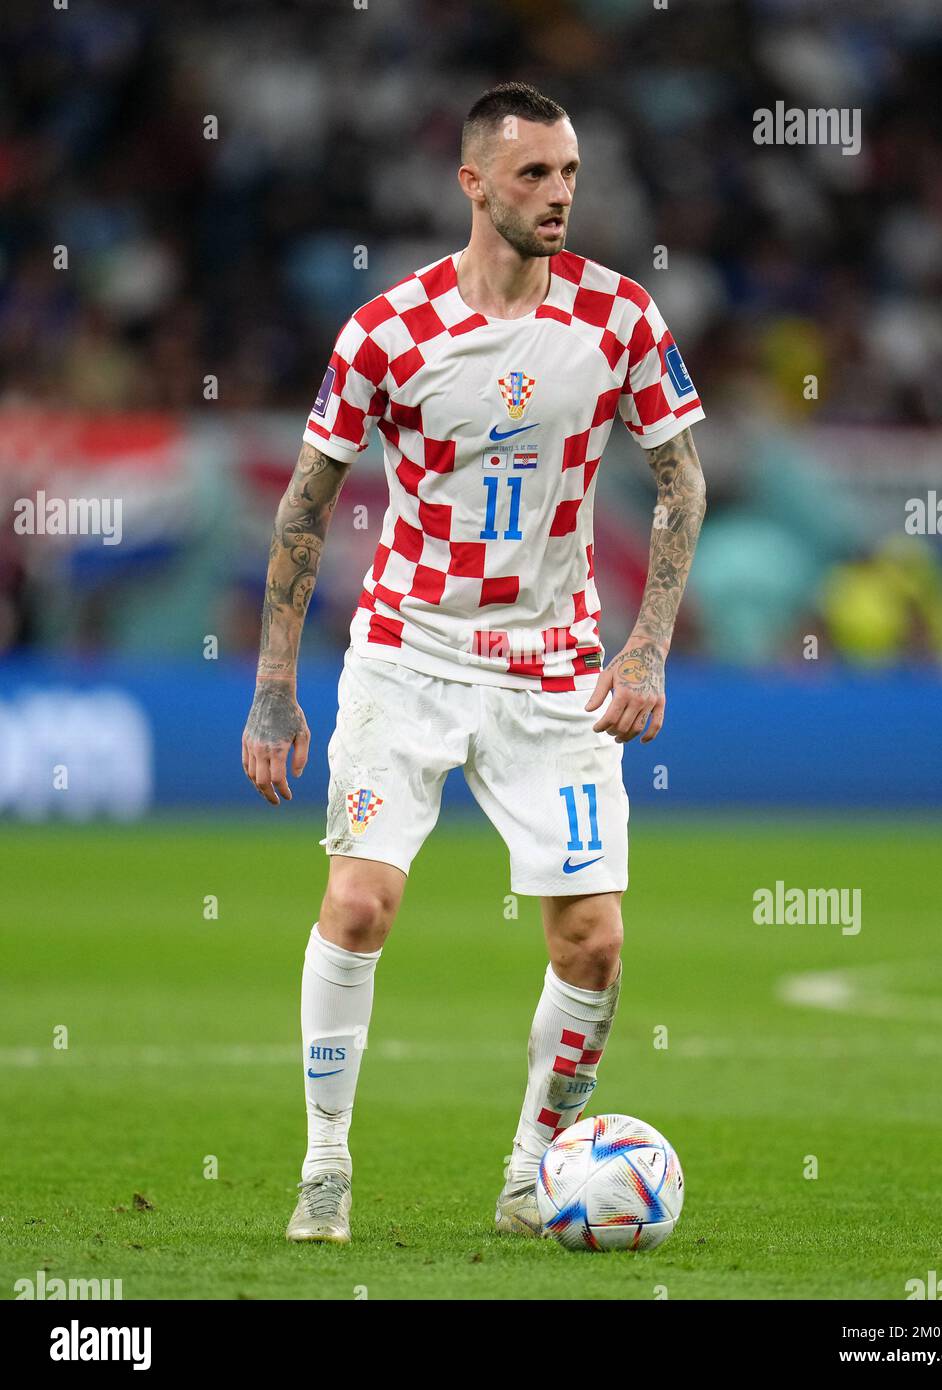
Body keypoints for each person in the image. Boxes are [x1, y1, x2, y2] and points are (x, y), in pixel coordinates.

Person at [241, 81, 707, 1244]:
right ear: (472, 184)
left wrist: (643, 650)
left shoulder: (620, 319)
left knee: (591, 938)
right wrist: (273, 688)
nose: (558, 197)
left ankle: (529, 1172)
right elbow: (306, 505)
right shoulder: (387, 330)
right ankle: (325, 1169)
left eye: (569, 175)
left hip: (556, 666)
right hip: (406, 651)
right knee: (358, 901)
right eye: (534, 175)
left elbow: (680, 481)